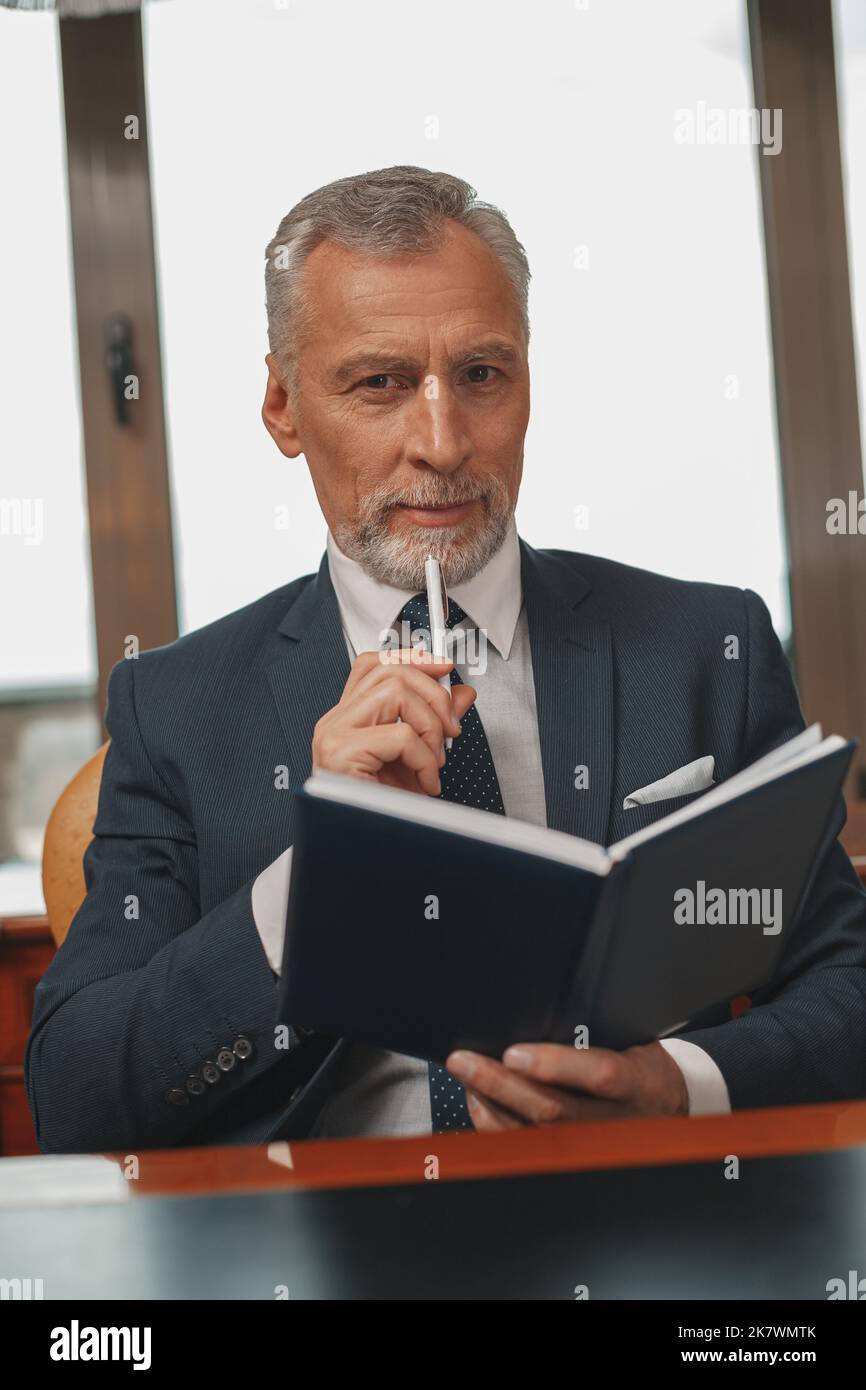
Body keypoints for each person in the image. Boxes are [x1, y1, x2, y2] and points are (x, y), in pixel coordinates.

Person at [26, 166, 866, 1151]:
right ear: (283, 406)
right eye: (379, 383)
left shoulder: (708, 647)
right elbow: (76, 1096)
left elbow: (846, 983)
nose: (441, 442)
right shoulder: (174, 706)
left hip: (646, 1204)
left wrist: (674, 1085)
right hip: (315, 1223)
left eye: (480, 375)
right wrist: (317, 880)